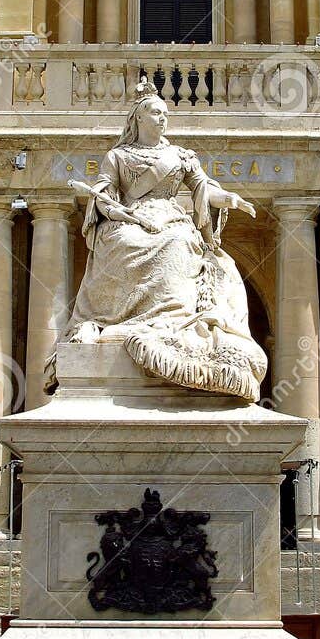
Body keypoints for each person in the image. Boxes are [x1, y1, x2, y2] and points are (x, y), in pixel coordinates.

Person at [61, 86, 267, 402]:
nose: (162, 119)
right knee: (125, 240)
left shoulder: (181, 156)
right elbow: (103, 194)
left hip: (171, 219)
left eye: (165, 114)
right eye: (156, 113)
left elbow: (201, 188)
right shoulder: (118, 156)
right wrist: (118, 212)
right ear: (138, 118)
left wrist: (229, 198)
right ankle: (121, 320)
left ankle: (172, 321)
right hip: (129, 220)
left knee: (178, 241)